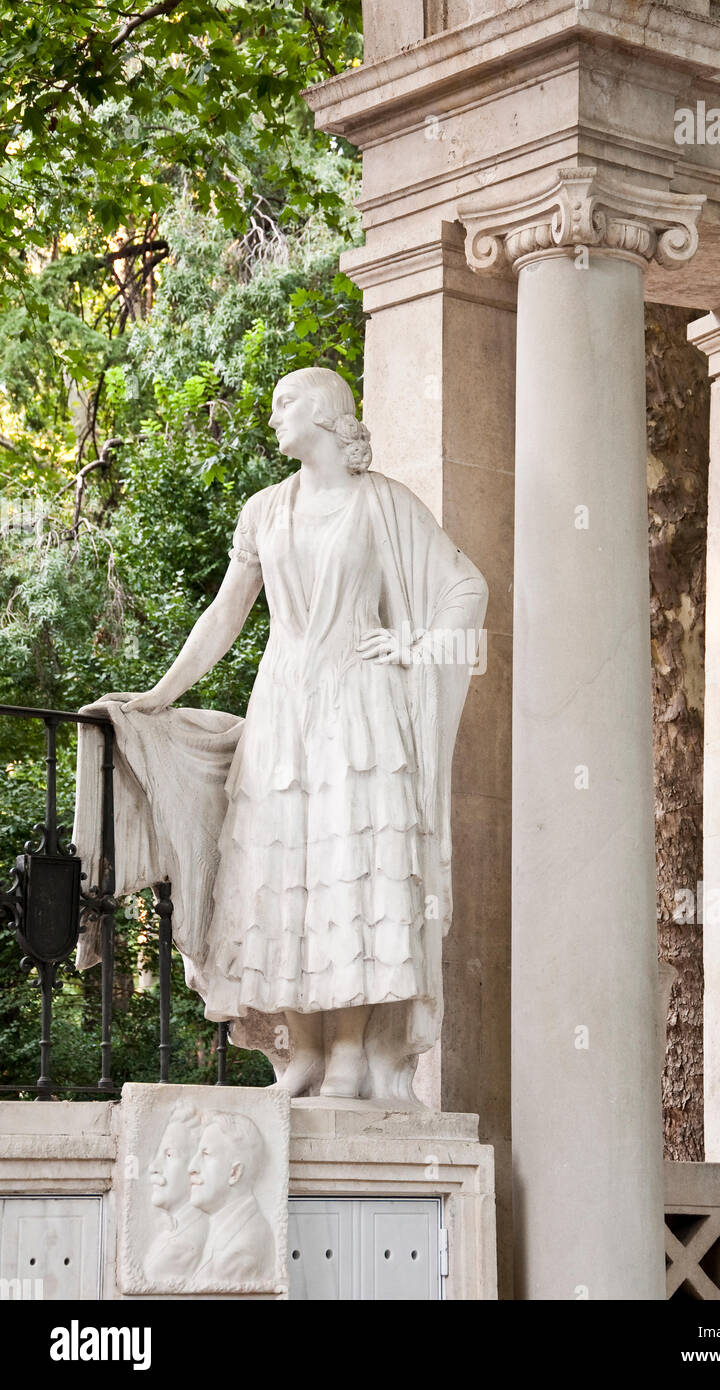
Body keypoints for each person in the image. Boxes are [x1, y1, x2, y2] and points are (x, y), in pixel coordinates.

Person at [120, 367, 488, 1100]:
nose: (273, 417)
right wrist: (161, 693)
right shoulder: (264, 511)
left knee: (350, 870)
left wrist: (416, 644)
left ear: (325, 411)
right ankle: (306, 1053)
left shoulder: (384, 503)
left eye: (285, 402)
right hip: (285, 703)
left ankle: (351, 1050)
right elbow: (224, 615)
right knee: (281, 873)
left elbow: (464, 586)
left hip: (362, 705)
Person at [188, 1111, 274, 1286]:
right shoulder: (227, 1229)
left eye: (205, 1154)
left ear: (235, 1173)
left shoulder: (240, 1252)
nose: (192, 1167)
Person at [143, 1100, 207, 1282]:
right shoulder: (176, 1230)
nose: (154, 1167)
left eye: (169, 1155)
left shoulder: (184, 1245)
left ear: (196, 1167)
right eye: (158, 1155)